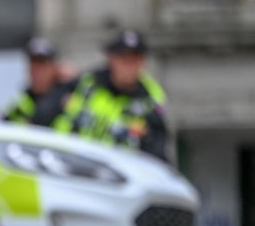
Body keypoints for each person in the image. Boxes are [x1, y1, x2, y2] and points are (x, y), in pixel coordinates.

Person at [52, 29, 170, 161]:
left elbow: (158, 146)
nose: (128, 66)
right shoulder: (87, 84)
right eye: (123, 59)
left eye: (134, 60)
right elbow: (46, 111)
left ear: (142, 62)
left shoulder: (151, 97)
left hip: (123, 170)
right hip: (76, 162)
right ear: (110, 59)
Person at [2, 36, 76, 126]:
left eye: (42, 65)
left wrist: (74, 80)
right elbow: (0, 129)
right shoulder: (22, 104)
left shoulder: (69, 94)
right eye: (33, 65)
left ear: (55, 67)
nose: (37, 71)